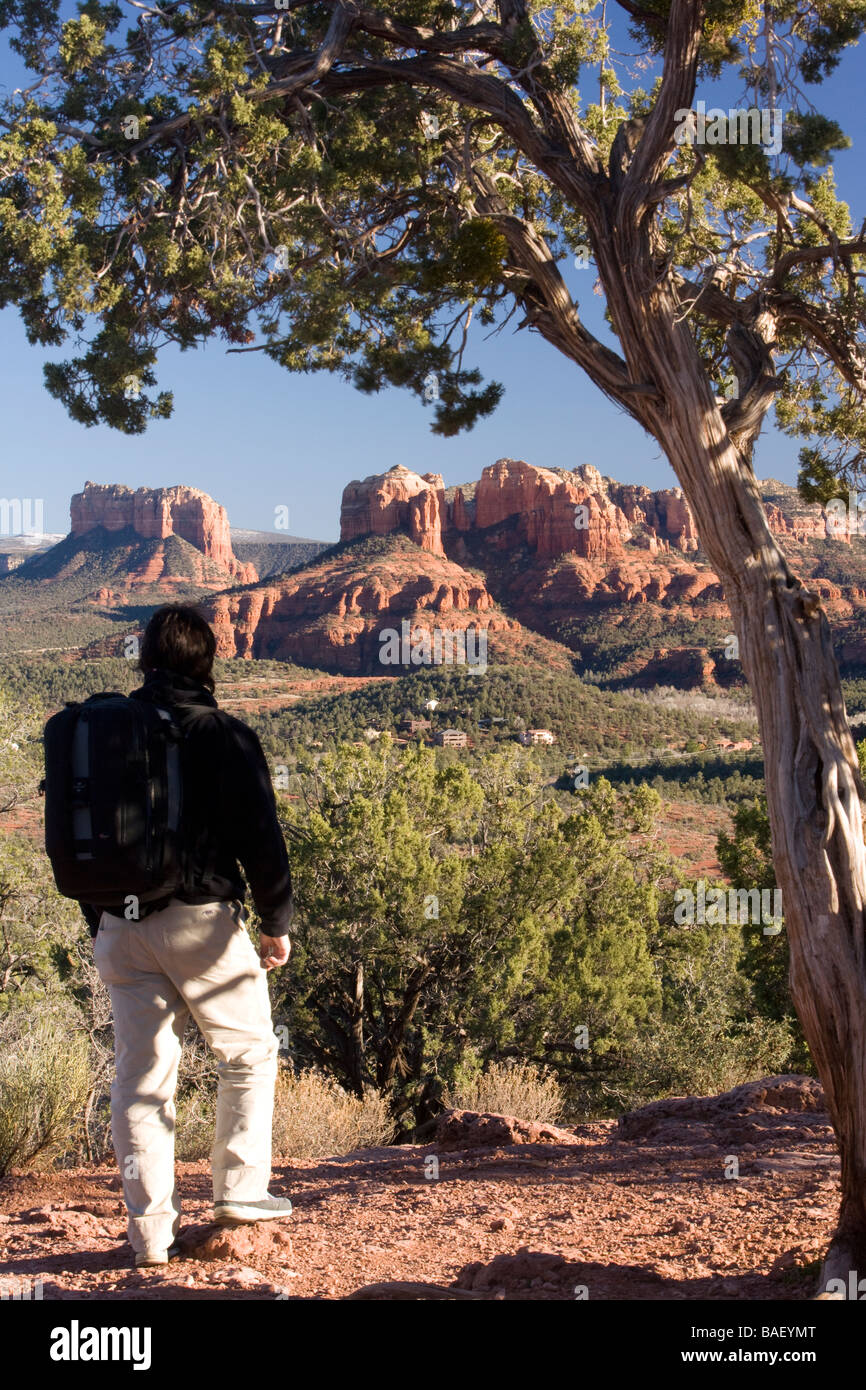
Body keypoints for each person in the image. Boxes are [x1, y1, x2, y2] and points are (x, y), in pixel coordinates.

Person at [83, 604, 293, 1267]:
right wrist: (277, 923)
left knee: (141, 1078)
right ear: (208, 662)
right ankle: (239, 1193)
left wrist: (102, 918)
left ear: (143, 659)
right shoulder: (223, 734)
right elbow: (263, 841)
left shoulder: (106, 732)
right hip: (199, 919)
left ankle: (148, 1237)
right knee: (249, 1053)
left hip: (120, 922)